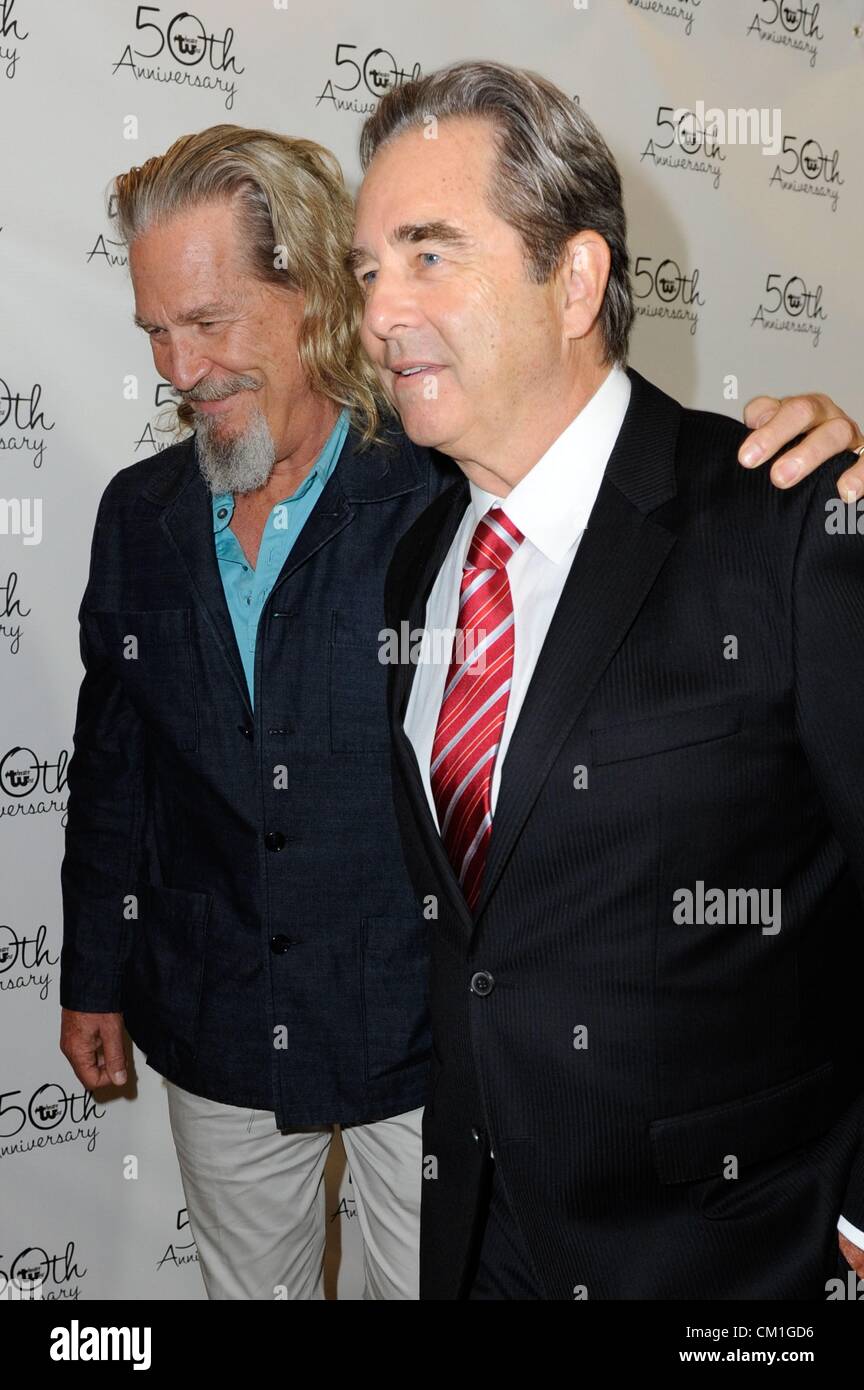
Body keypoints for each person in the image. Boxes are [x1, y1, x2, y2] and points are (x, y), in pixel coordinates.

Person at [353, 59, 864, 1298]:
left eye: (430, 255)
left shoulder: (788, 520)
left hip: (730, 1258)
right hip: (479, 1238)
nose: (377, 311)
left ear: (574, 279)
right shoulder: (420, 561)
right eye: (368, 268)